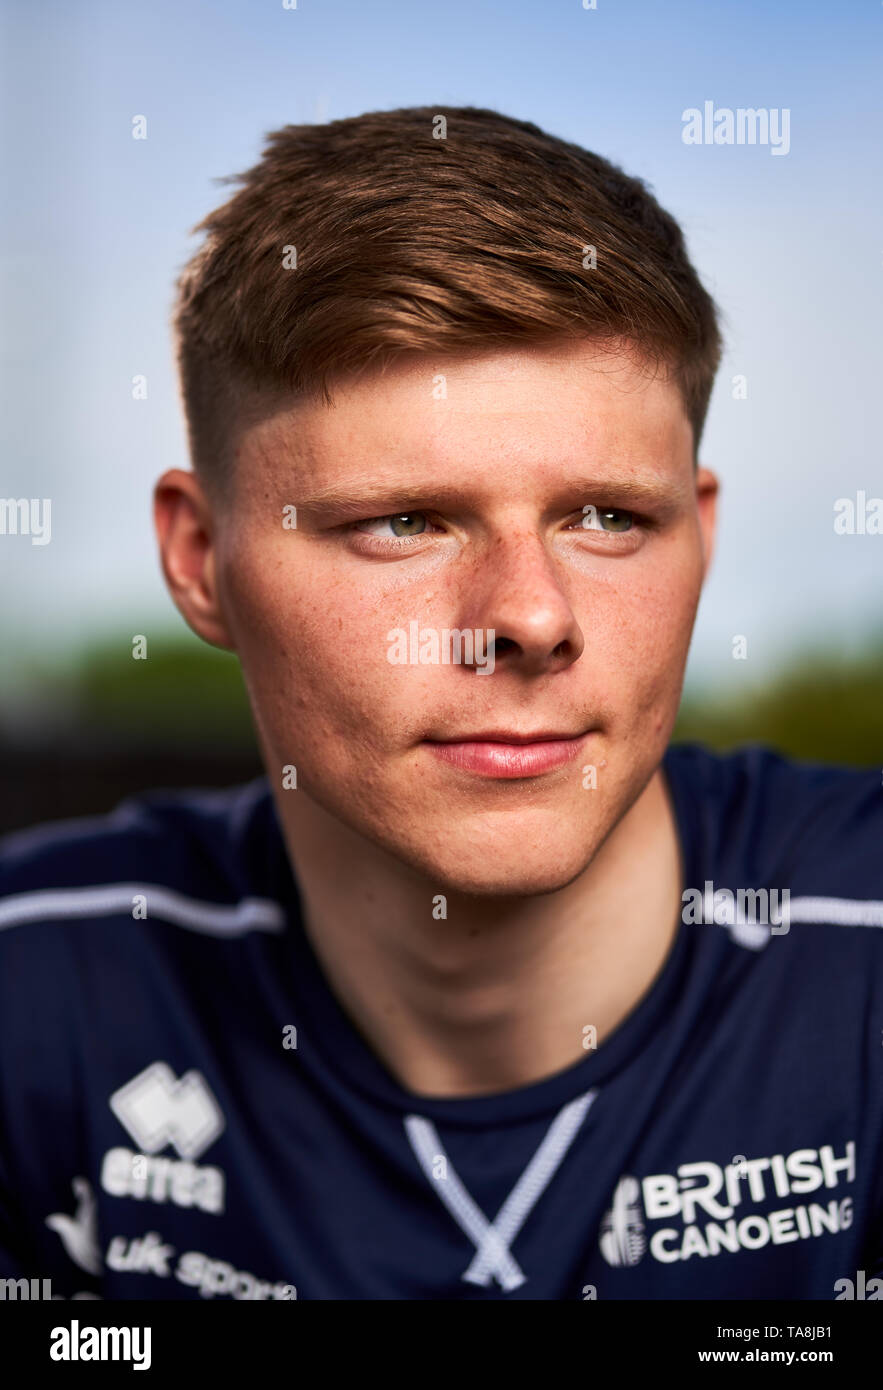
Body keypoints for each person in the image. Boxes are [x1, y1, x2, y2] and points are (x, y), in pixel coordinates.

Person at [0, 106, 880, 1301]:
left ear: (700, 533)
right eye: (404, 521)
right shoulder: (39, 999)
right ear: (201, 558)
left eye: (606, 517)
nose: (529, 616)